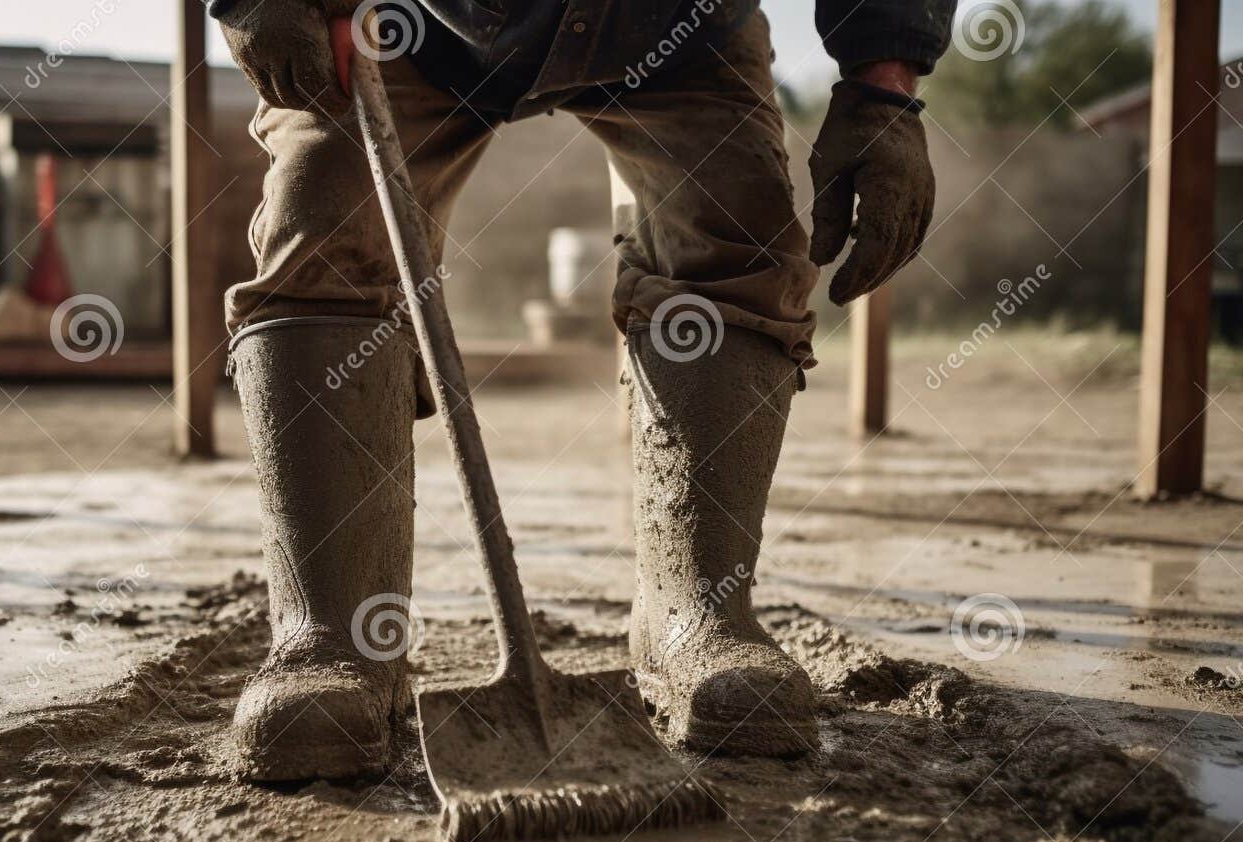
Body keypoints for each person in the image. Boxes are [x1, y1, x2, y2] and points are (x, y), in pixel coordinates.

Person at [210, 0, 955, 781]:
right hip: (397, 20)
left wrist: (884, 79)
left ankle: (696, 612)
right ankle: (333, 636)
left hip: (669, 25)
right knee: (320, 224)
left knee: (735, 231)